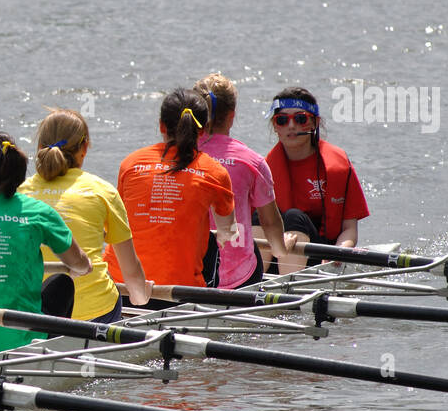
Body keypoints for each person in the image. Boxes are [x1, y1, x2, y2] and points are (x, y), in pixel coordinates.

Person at [0, 132, 91, 356]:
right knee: (62, 283)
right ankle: (49, 355)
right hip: (19, 344)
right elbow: (79, 265)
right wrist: (84, 265)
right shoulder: (38, 211)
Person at [20, 109, 151, 323]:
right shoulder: (102, 191)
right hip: (95, 313)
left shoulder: (19, 192)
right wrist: (140, 297)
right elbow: (131, 271)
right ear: (84, 149)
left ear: (39, 147)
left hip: (32, 313)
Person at [106, 89, 236, 289]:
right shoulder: (214, 172)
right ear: (203, 130)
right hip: (178, 289)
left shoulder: (130, 163)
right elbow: (227, 233)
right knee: (212, 243)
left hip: (121, 284)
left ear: (161, 125)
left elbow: (120, 221)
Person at [194, 74, 291, 288]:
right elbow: (270, 222)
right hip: (237, 278)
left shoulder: (175, 157)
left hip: (188, 273)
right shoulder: (252, 161)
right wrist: (280, 251)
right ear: (231, 116)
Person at [264, 86, 370, 275]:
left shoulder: (339, 165)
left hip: (321, 255)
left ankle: (288, 286)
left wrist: (340, 251)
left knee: (294, 217)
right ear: (275, 126)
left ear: (314, 123)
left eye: (300, 118)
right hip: (277, 252)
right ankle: (253, 283)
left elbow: (349, 229)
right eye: (282, 120)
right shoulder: (264, 168)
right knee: (258, 217)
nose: (291, 126)